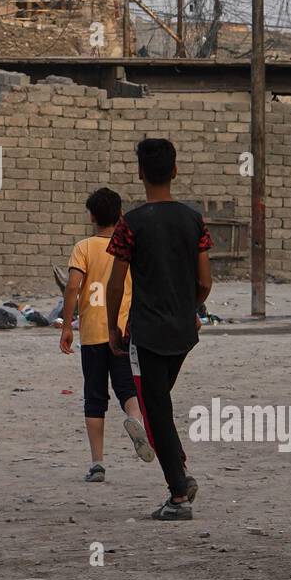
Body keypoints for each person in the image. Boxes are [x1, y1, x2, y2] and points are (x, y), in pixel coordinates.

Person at [106, 138, 210, 521]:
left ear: (139, 174)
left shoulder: (130, 224)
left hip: (147, 332)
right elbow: (205, 280)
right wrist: (191, 307)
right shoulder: (193, 218)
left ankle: (179, 494)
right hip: (183, 332)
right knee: (158, 404)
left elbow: (116, 284)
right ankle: (179, 468)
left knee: (155, 407)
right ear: (176, 170)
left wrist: (113, 326)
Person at [60, 188, 154, 482]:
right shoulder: (128, 247)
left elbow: (73, 286)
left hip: (92, 334)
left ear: (91, 216)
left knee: (95, 396)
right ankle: (134, 420)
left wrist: (66, 325)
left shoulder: (84, 247)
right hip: (124, 330)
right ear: (120, 215)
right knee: (127, 389)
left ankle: (97, 463)